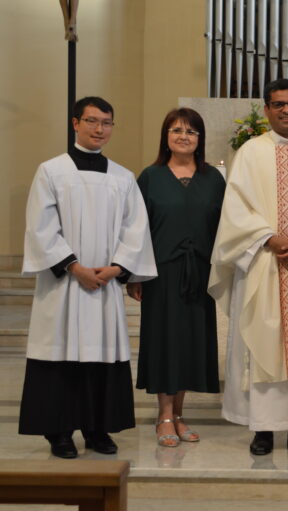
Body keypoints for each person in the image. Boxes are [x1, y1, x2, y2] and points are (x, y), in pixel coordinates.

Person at [18, 96, 156, 458]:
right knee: (60, 358)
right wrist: (75, 267)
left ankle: (97, 429)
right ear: (75, 123)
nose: (100, 129)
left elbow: (135, 229)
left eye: (107, 123)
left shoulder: (123, 178)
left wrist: (116, 268)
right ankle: (59, 433)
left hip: (105, 284)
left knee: (101, 358)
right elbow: (40, 227)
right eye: (92, 121)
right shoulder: (51, 172)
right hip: (64, 284)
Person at [209, 79, 288, 456]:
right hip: (263, 264)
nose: (286, 110)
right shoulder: (250, 152)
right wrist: (269, 237)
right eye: (278, 104)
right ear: (266, 110)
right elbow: (235, 208)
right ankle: (263, 428)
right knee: (262, 341)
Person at [127, 108, 225, 447]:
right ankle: (164, 415)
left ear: (200, 139)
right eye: (177, 130)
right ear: (166, 136)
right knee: (165, 343)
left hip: (199, 272)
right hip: (161, 273)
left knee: (189, 344)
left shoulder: (213, 179)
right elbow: (135, 229)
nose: (184, 136)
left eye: (191, 131)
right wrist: (134, 274)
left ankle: (179, 414)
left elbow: (224, 227)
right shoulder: (150, 177)